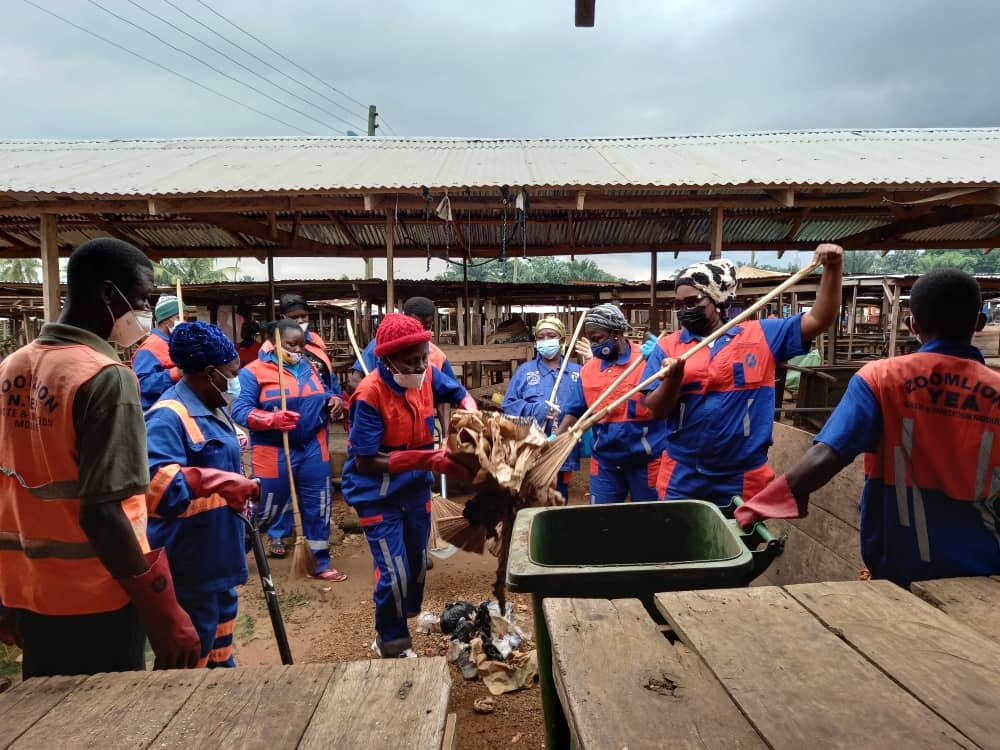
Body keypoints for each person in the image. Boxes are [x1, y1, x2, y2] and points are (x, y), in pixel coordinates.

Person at [0, 238, 200, 678]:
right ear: (109, 294)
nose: (145, 311)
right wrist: (163, 613)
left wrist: (5, 594)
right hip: (95, 595)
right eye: (143, 298)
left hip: (31, 592)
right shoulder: (105, 377)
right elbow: (103, 512)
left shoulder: (11, 367)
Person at [736, 268, 1000, 587]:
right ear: (979, 323)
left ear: (912, 325)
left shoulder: (881, 379)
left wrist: (761, 505)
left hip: (901, 572)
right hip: (986, 573)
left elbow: (828, 454)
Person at [642, 246, 843, 506]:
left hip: (742, 476)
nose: (683, 310)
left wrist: (833, 268)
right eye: (678, 305)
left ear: (716, 299)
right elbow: (655, 411)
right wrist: (672, 380)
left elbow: (819, 318)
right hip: (683, 473)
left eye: (692, 302)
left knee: (741, 541)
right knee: (680, 541)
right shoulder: (668, 347)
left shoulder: (761, 336)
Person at [342, 313, 473, 658]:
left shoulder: (426, 375)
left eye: (423, 357)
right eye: (410, 361)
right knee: (394, 572)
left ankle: (400, 617)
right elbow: (364, 461)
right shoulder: (369, 395)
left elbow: (457, 392)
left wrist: (470, 410)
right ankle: (392, 641)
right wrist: (426, 459)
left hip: (415, 490)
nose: (419, 366)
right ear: (387, 360)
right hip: (377, 495)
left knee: (416, 565)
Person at [145, 322, 260, 668]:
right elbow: (156, 489)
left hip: (220, 559)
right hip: (191, 566)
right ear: (210, 373)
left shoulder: (216, 406)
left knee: (220, 656)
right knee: (188, 665)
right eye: (232, 374)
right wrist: (220, 482)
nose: (236, 381)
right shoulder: (167, 417)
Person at [233, 320, 347, 580]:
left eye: (301, 345)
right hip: (274, 450)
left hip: (313, 448)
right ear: (274, 343)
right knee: (266, 508)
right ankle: (235, 557)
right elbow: (239, 410)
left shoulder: (311, 368)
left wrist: (335, 400)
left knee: (319, 505)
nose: (297, 350)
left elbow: (327, 392)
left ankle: (319, 564)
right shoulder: (253, 373)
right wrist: (269, 420)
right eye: (290, 344)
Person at [558, 304, 666, 504]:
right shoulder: (588, 371)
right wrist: (556, 438)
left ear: (616, 333)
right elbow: (574, 411)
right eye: (591, 340)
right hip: (605, 462)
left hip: (647, 461)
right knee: (602, 521)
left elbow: (666, 402)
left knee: (649, 521)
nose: (593, 346)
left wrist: (662, 359)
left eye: (597, 339)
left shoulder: (646, 361)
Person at [503, 316, 582, 503]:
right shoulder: (525, 371)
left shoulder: (576, 372)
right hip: (531, 446)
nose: (546, 341)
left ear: (562, 340)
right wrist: (538, 409)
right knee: (529, 494)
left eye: (551, 336)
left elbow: (587, 406)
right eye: (541, 337)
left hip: (562, 447)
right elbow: (509, 406)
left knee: (559, 494)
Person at [348, 297, 466, 401]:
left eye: (426, 327)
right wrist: (380, 398)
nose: (419, 332)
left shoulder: (437, 356)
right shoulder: (380, 347)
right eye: (415, 325)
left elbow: (451, 389)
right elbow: (354, 383)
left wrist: (467, 400)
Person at [132, 294, 189, 410]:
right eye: (179, 318)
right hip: (155, 411)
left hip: (176, 407)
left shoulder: (177, 343)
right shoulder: (150, 347)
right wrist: (175, 373)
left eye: (186, 318)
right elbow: (142, 384)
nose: (184, 322)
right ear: (166, 321)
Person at [274, 293, 339, 394]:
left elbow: (329, 373)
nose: (300, 321)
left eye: (304, 316)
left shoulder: (316, 340)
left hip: (324, 400)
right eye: (294, 317)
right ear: (283, 317)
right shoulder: (273, 344)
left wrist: (336, 396)